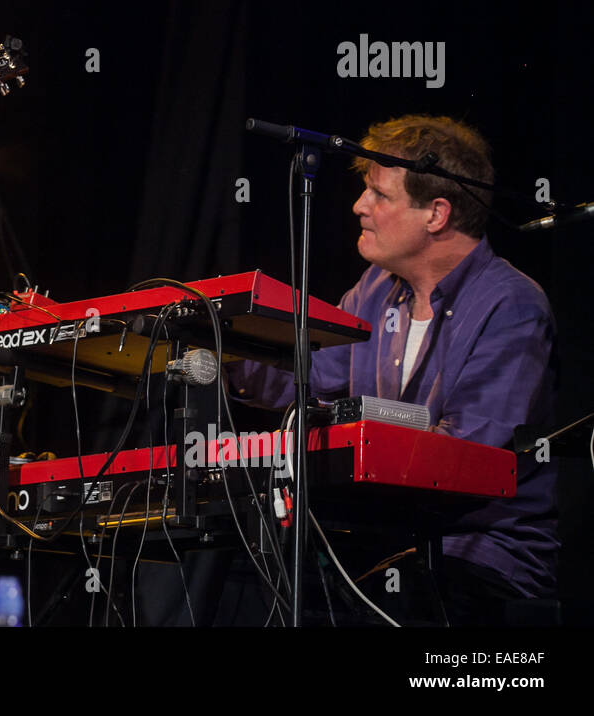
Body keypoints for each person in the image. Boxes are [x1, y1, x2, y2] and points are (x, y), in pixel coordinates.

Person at [227, 114, 558, 624]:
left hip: (480, 553)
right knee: (239, 580)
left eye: (379, 194)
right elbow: (306, 371)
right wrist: (211, 354)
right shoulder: (375, 290)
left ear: (436, 214)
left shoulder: (512, 304)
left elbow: (470, 455)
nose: (360, 206)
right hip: (387, 544)